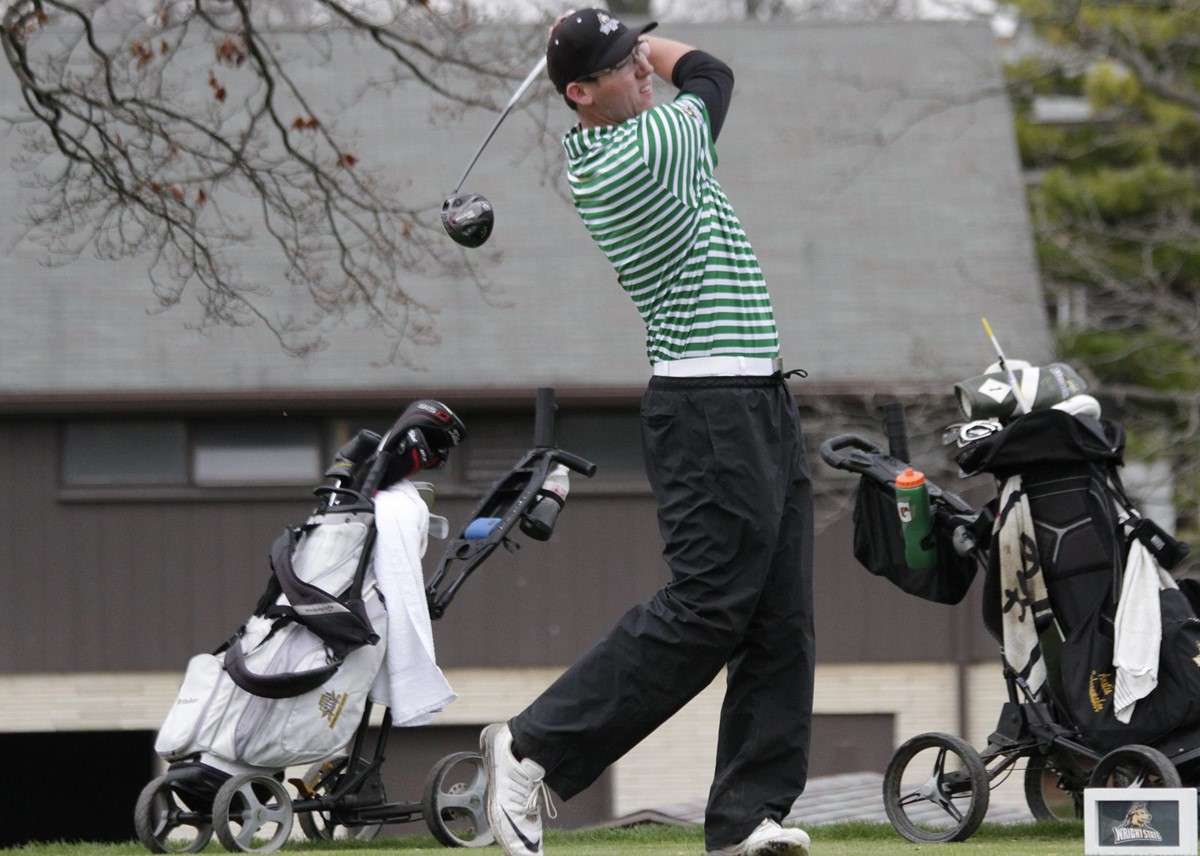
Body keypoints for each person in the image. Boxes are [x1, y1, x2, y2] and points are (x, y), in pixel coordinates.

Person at [480, 10, 815, 856]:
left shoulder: (626, 133)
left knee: (780, 620)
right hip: (710, 407)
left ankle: (748, 819)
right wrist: (653, 43)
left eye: (640, 55)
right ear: (580, 94)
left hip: (755, 396)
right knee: (708, 610)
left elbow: (680, 75)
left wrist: (619, 38)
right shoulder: (644, 150)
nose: (645, 69)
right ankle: (531, 750)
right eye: (625, 64)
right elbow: (711, 73)